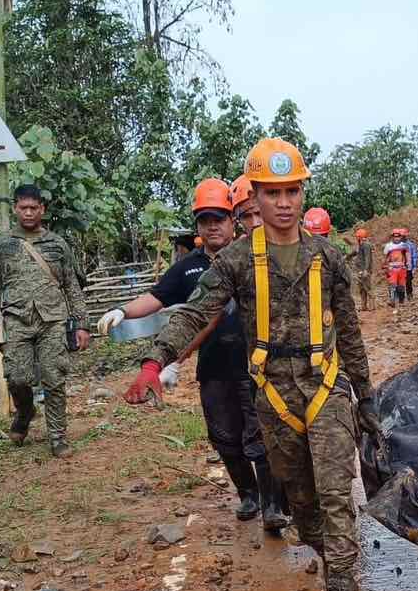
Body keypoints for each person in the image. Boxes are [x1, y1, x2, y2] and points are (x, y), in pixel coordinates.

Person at [134, 138, 381, 591]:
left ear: (303, 193)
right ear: (255, 200)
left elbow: (350, 332)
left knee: (335, 490)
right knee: (303, 502)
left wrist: (366, 396)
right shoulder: (236, 261)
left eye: (293, 191)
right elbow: (196, 312)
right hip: (271, 397)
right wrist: (153, 361)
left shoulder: (328, 259)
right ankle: (331, 553)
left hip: (325, 388)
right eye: (273, 193)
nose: (285, 203)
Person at [101, 179, 290, 532]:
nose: (213, 225)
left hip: (256, 366)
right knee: (224, 436)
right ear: (198, 225)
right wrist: (123, 311)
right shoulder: (189, 268)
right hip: (214, 366)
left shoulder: (253, 256)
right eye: (205, 220)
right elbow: (158, 299)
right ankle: (248, 494)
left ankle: (272, 506)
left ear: (232, 219)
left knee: (260, 436)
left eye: (219, 217)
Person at [0, 183, 90, 458]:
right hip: (17, 319)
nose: (28, 213)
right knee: (17, 378)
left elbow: (72, 286)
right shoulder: (1, 244)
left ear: (42, 209)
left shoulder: (57, 244)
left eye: (34, 208)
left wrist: (82, 323)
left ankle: (57, 436)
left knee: (54, 378)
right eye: (23, 208)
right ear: (15, 208)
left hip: (52, 319)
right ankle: (25, 411)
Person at [382, 228, 411, 310]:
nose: (396, 238)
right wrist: (384, 266)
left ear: (400, 237)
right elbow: (385, 257)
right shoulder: (388, 246)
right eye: (395, 236)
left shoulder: (404, 245)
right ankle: (392, 300)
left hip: (402, 268)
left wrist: (408, 263)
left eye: (398, 237)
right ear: (392, 237)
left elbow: (407, 255)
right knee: (392, 284)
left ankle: (401, 301)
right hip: (392, 269)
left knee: (401, 285)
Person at [350, 228, 374, 312]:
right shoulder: (361, 245)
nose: (356, 238)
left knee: (368, 288)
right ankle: (364, 305)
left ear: (360, 237)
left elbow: (368, 258)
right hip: (360, 269)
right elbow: (354, 253)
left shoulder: (366, 245)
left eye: (357, 237)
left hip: (364, 270)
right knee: (362, 289)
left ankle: (372, 305)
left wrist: (366, 270)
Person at [402, 227, 418, 301]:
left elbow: (414, 256)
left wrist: (414, 267)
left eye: (404, 236)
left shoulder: (411, 245)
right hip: (400, 267)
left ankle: (409, 295)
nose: (403, 237)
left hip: (408, 267)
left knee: (408, 282)